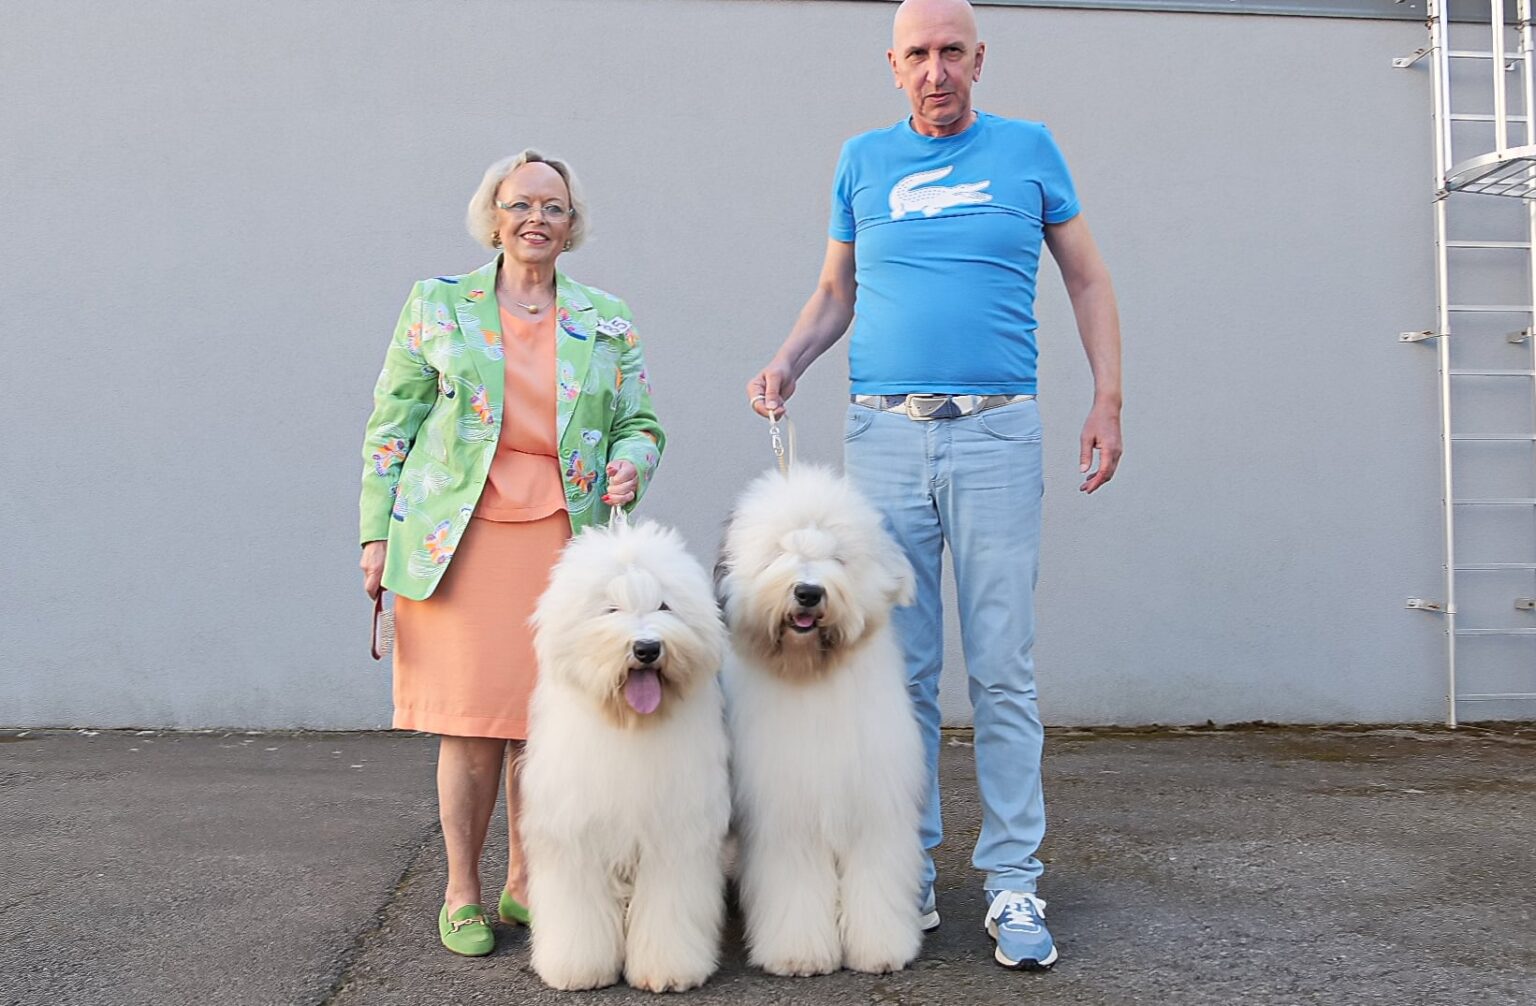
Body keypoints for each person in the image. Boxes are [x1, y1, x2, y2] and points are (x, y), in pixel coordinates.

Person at [746, 0, 1121, 972]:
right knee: (895, 673)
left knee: (1002, 668)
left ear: (980, 59)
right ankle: (903, 873)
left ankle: (1011, 882)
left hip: (997, 433)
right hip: (884, 439)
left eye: (952, 51)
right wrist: (789, 360)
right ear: (894, 64)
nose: (936, 69)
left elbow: (1086, 279)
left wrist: (1106, 400)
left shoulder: (1029, 151)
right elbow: (837, 291)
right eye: (918, 54)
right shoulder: (861, 161)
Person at [358, 150, 664, 957]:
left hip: (569, 543)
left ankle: (530, 884)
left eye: (554, 207)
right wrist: (374, 535)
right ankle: (461, 889)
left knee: (551, 723)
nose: (537, 218)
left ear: (572, 227)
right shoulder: (437, 305)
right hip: (456, 541)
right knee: (467, 725)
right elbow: (391, 428)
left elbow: (642, 422)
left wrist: (638, 458)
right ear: (492, 215)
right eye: (521, 203)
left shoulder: (608, 318)